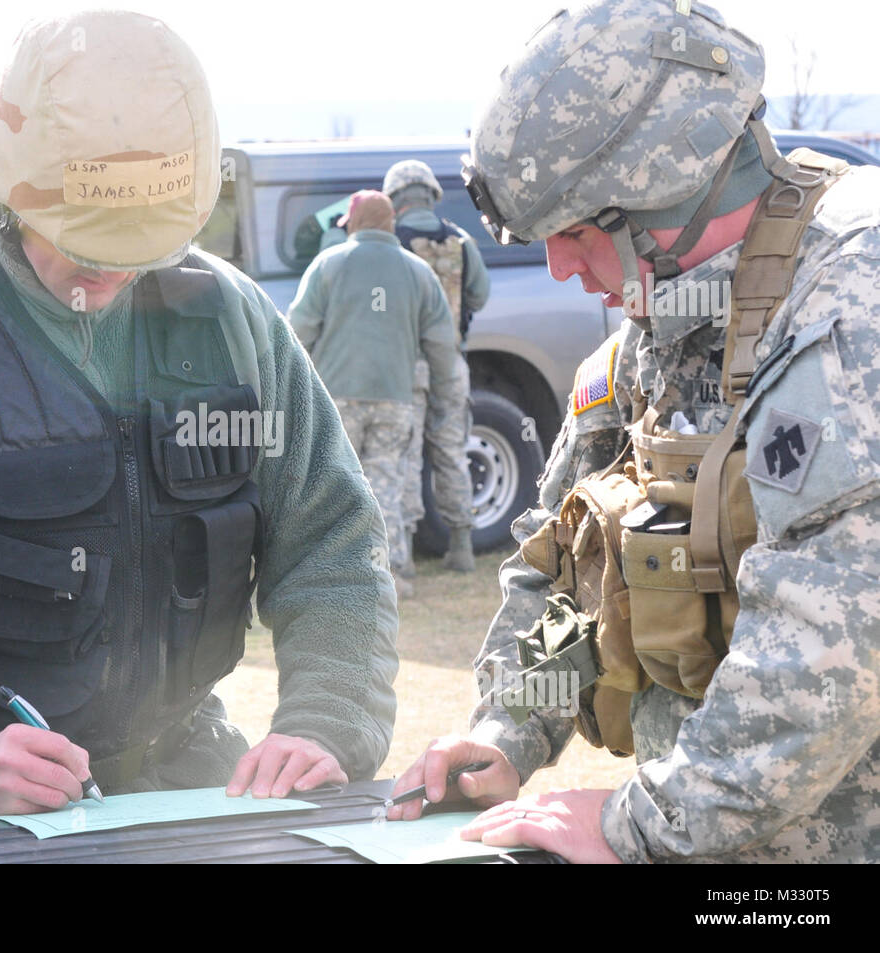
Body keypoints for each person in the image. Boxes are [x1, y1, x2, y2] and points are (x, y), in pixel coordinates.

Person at [0, 10, 398, 828]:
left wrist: (327, 719)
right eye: (85, 239)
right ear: (10, 182)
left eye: (139, 243)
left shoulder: (236, 327)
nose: (109, 268)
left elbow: (333, 543)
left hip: (186, 800)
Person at [390, 0, 879, 863]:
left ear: (663, 195)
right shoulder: (658, 333)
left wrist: (638, 825)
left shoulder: (850, 306)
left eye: (577, 234)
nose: (558, 268)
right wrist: (513, 724)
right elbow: (579, 580)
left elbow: (828, 647)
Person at [287, 189, 462, 599]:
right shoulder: (419, 272)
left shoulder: (327, 264)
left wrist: (292, 387)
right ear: (390, 224)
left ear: (356, 224)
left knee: (333, 484)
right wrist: (442, 394)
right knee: (385, 484)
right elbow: (441, 343)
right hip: (395, 398)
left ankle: (332, 576)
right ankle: (391, 576)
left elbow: (298, 331)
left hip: (336, 399)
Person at [383, 159, 490, 572]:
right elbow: (479, 296)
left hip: (404, 366)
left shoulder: (388, 241)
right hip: (452, 364)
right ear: (431, 194)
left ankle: (405, 555)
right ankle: (462, 546)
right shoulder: (461, 240)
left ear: (395, 199)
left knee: (405, 454)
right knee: (450, 452)